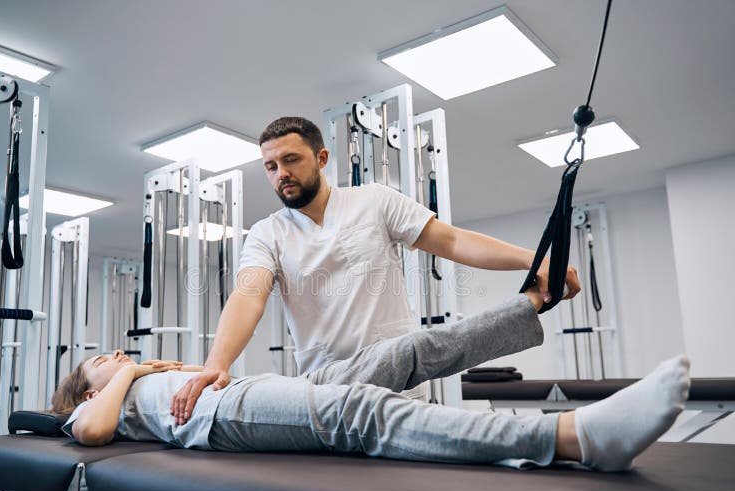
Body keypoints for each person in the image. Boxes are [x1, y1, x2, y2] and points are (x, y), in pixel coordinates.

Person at [170, 117, 581, 420]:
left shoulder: (374, 200)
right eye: (271, 166)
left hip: (401, 385)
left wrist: (539, 260)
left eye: (291, 160)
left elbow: (452, 241)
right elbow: (248, 294)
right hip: (326, 392)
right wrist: (216, 365)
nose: (282, 174)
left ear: (322, 158)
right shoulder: (267, 233)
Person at [54, 288, 689, 472]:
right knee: (366, 410)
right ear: (88, 388)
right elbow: (93, 432)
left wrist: (155, 367)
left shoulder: (139, 382)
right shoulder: (101, 404)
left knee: (406, 350)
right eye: (101, 359)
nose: (117, 353)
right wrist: (131, 369)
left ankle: (530, 307)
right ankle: (573, 438)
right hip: (227, 417)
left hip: (257, 391)